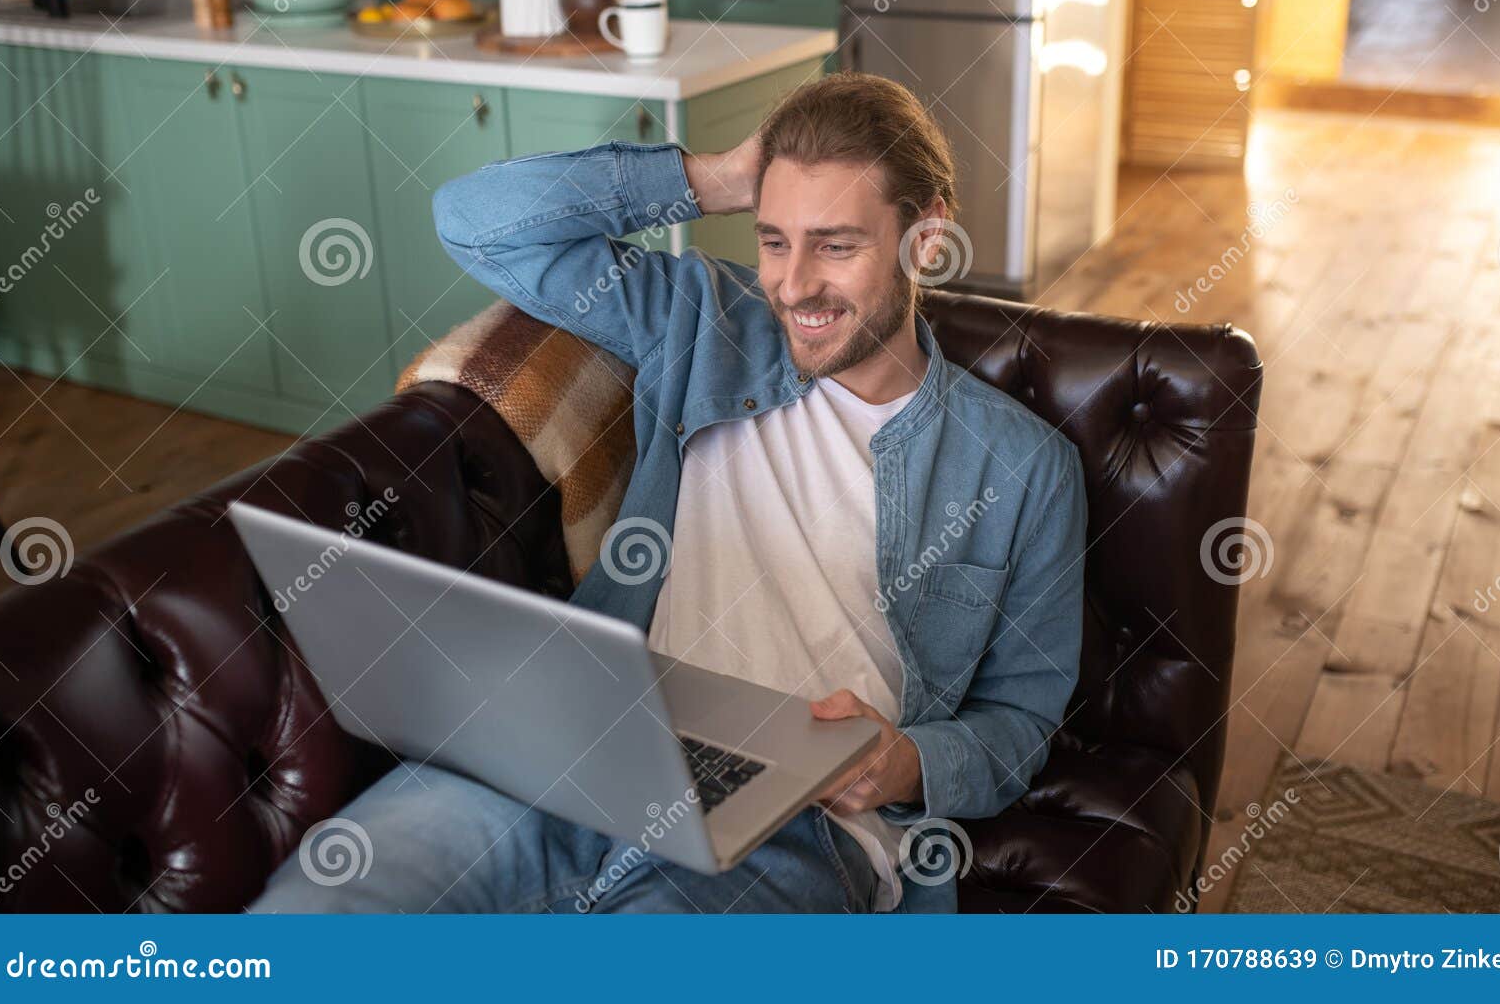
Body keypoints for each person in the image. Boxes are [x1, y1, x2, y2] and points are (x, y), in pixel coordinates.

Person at [252, 72, 1086, 914]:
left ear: (925, 236)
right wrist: (713, 177)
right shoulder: (700, 318)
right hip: (575, 744)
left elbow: (1020, 719)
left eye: (835, 245)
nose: (793, 286)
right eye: (772, 239)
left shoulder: (1021, 467)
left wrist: (907, 761)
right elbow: (475, 224)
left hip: (798, 826)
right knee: (316, 910)